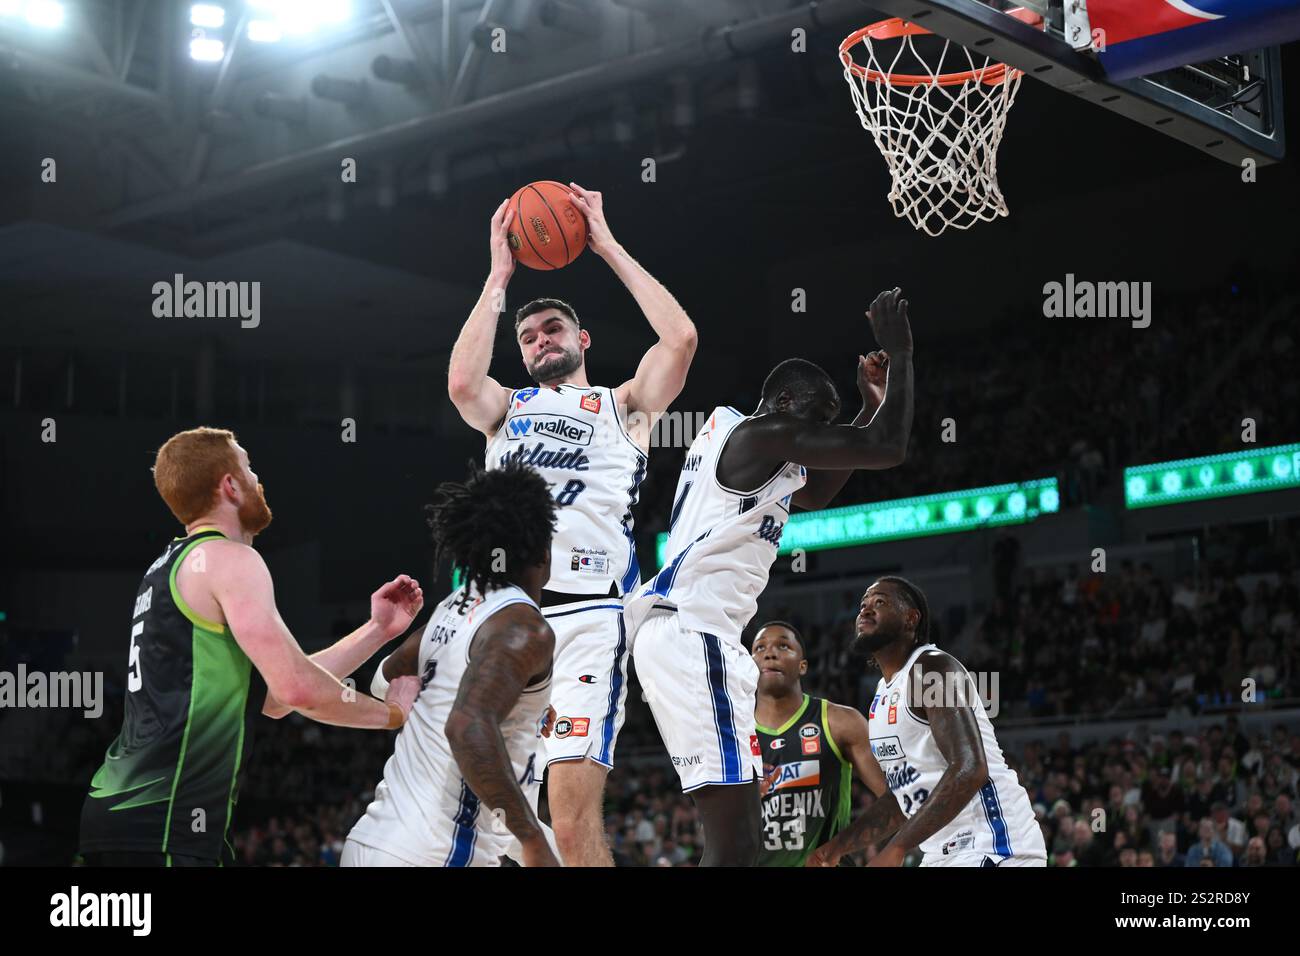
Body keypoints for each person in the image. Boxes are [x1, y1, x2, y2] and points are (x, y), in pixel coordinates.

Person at [447, 185, 697, 866]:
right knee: (504, 819)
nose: (539, 342)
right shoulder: (507, 406)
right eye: (527, 337)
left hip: (589, 615)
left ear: (581, 339)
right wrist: (498, 276)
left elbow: (679, 339)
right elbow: (464, 385)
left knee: (569, 806)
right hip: (505, 614)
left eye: (552, 329)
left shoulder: (625, 406)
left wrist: (606, 243)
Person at [628, 287, 914, 865]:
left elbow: (817, 491)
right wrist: (903, 355)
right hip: (692, 634)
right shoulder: (755, 433)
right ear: (784, 402)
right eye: (817, 423)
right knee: (735, 845)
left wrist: (866, 409)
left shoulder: (758, 450)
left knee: (739, 840)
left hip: (689, 637)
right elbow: (889, 448)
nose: (819, 440)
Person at [79, 427, 423, 867]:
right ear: (230, 485)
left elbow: (277, 696)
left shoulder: (168, 567)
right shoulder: (232, 560)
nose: (258, 479)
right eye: (248, 467)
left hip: (124, 814)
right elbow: (298, 689)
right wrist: (393, 714)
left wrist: (377, 631)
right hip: (165, 823)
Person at [344, 460, 562, 867]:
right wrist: (530, 838)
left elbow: (382, 682)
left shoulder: (450, 609)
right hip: (436, 853)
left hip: (373, 842)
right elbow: (466, 726)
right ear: (543, 551)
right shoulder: (525, 628)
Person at [809, 577, 1047, 867]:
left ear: (911, 619)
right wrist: (836, 848)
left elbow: (970, 768)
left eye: (880, 602)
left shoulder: (931, 668)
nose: (866, 610)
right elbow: (902, 799)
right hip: (941, 853)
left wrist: (896, 848)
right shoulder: (882, 694)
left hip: (992, 843)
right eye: (863, 605)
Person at [751, 621, 887, 866]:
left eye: (783, 646)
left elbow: (896, 797)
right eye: (760, 648)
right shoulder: (734, 733)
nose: (770, 653)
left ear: (802, 666)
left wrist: (839, 847)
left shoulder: (840, 722)